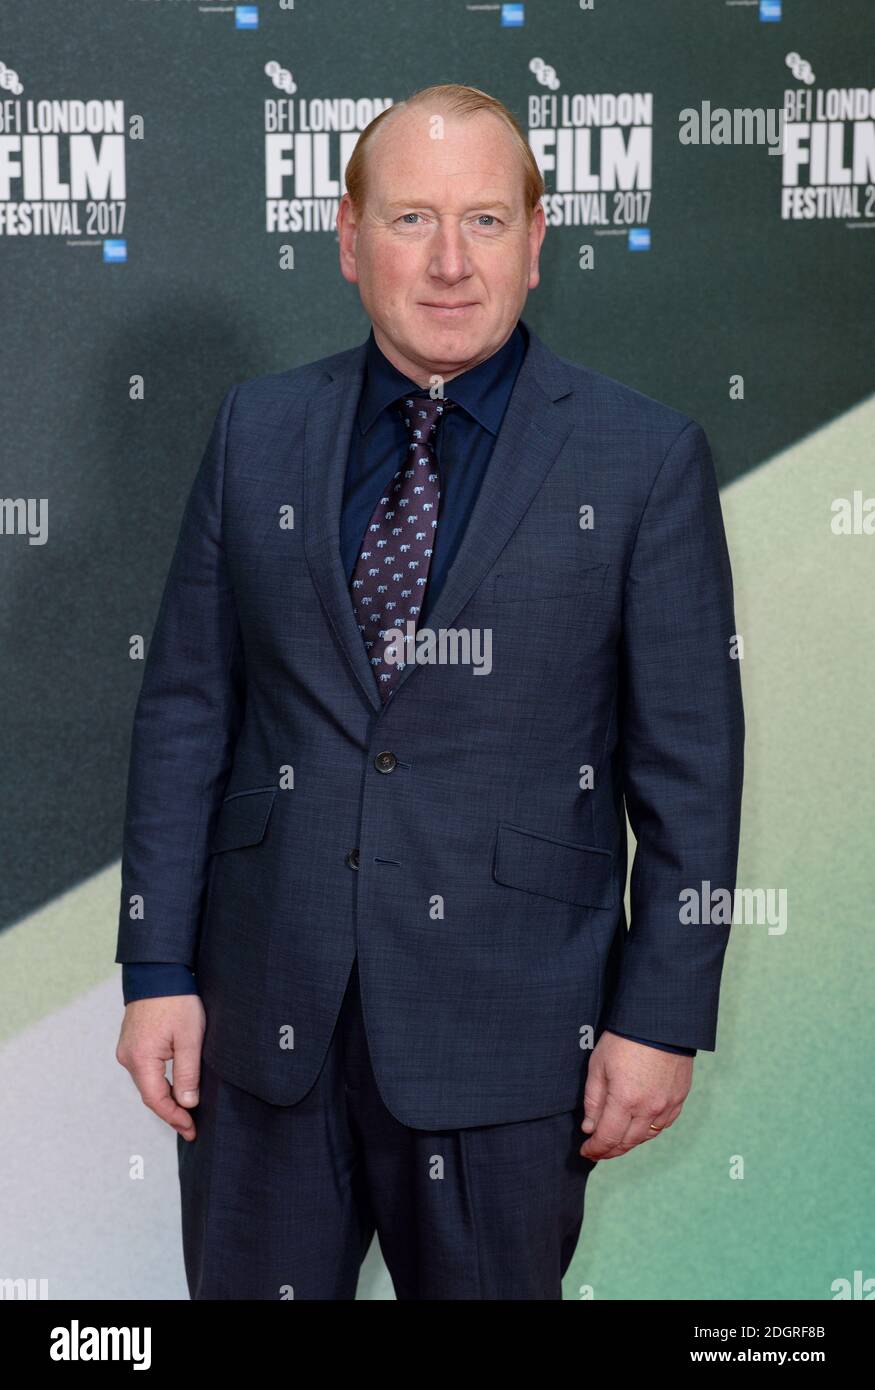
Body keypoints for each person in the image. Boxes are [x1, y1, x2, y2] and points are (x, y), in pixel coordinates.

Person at [115, 83, 744, 1300]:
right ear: (348, 239)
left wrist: (658, 1015)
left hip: (510, 1039)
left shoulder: (641, 457)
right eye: (410, 219)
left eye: (485, 221)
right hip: (265, 1030)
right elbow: (188, 711)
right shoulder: (258, 430)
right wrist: (156, 972)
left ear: (536, 236)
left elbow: (689, 772)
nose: (450, 263)